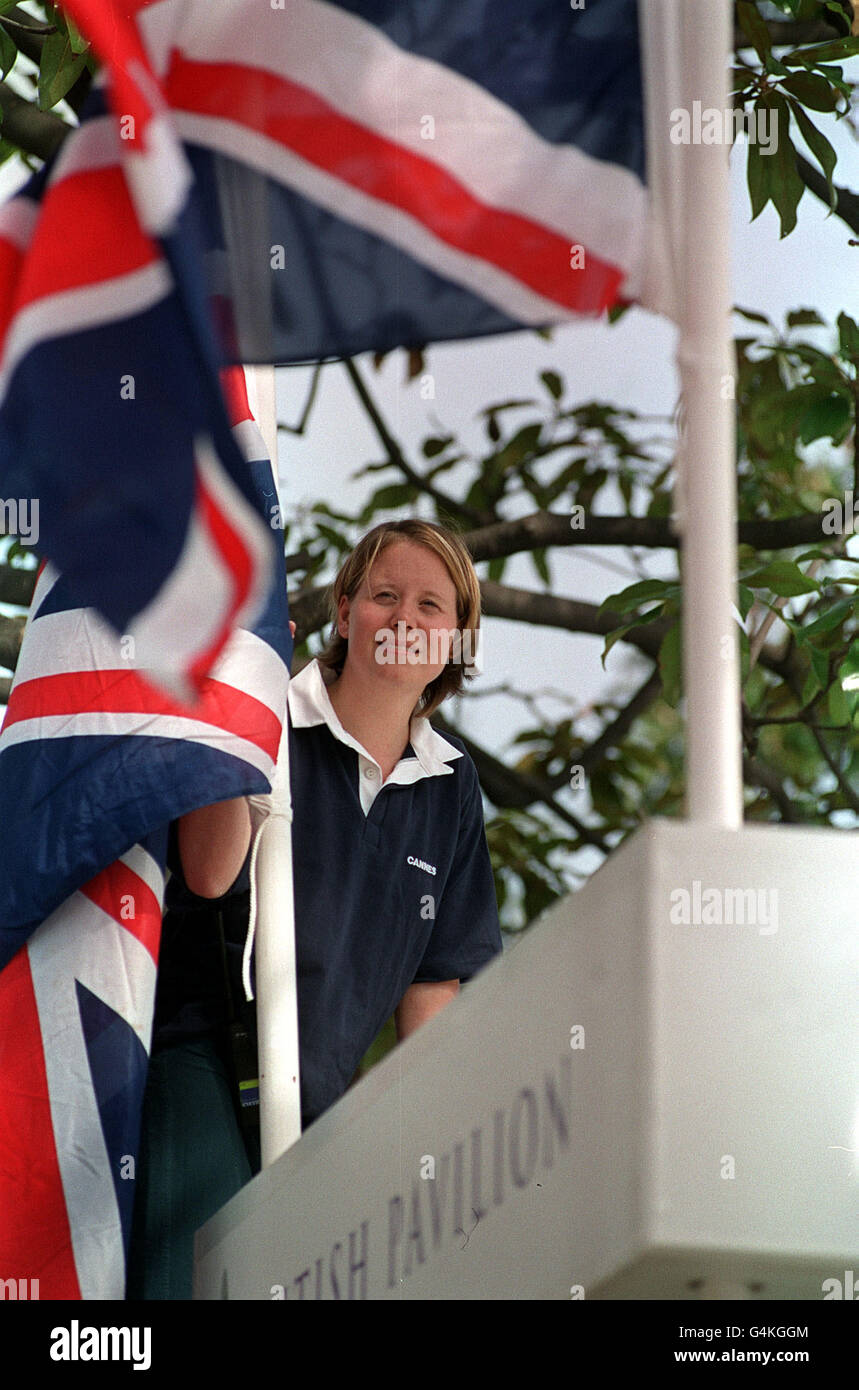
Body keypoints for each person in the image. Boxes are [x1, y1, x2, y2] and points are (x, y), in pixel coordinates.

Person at [127, 519, 502, 1298]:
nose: (404, 620)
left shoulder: (450, 785)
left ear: (459, 639)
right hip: (206, 1056)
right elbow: (206, 873)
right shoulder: (267, 718)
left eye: (432, 607)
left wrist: (425, 1146)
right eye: (384, 596)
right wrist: (239, 717)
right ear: (343, 610)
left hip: (319, 1109)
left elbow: (432, 986)